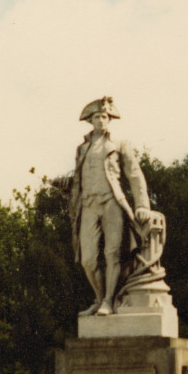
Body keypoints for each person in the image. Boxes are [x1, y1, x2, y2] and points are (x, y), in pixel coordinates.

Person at [68, 96, 153, 316]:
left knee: (112, 253)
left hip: (112, 204)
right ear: (90, 120)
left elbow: (134, 175)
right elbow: (79, 178)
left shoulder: (119, 144)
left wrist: (142, 205)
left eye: (104, 116)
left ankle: (108, 300)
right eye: (96, 116)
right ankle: (98, 298)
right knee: (87, 259)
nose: (100, 120)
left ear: (109, 119)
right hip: (88, 205)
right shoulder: (82, 149)